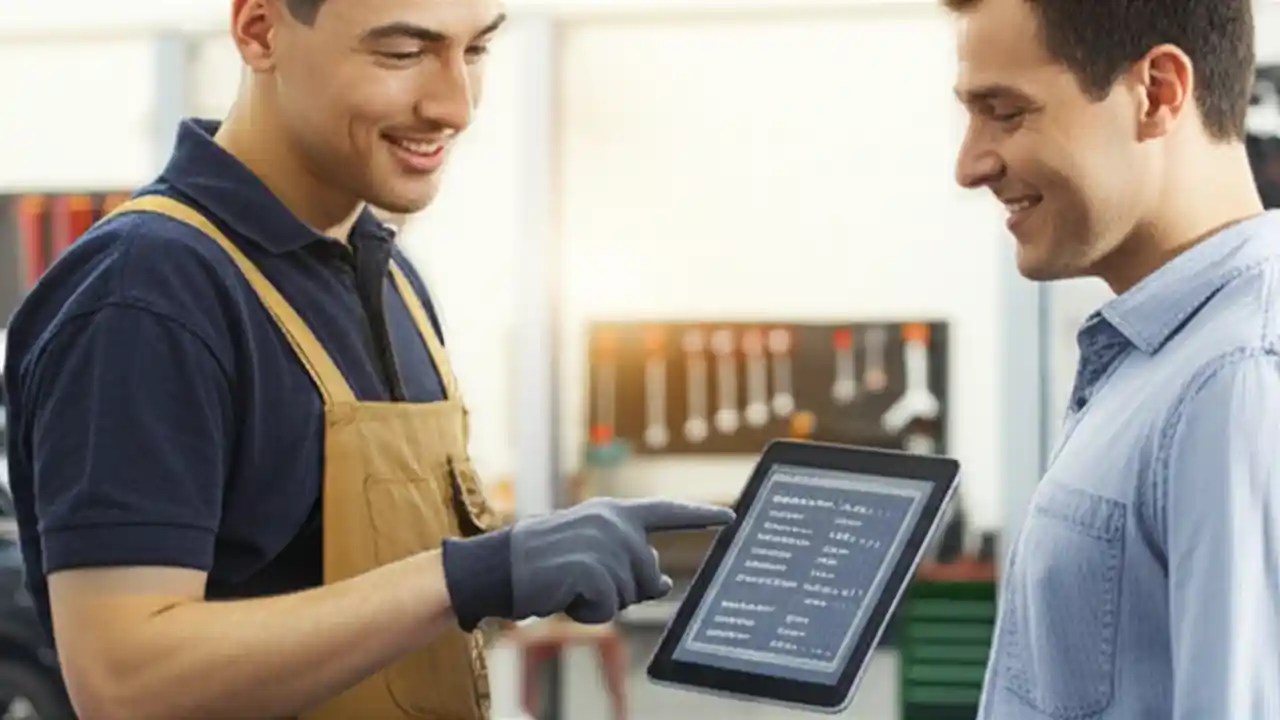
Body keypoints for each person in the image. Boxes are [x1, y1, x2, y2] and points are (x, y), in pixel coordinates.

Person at [1, 0, 734, 717]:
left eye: (474, 50)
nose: (455, 106)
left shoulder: (390, 278)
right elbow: (128, 682)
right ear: (260, 32)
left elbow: (389, 605)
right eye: (403, 52)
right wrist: (470, 575)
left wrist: (535, 568)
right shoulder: (149, 294)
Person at [942, 0, 1280, 717]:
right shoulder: (1158, 360)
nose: (969, 164)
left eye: (1006, 112)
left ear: (1157, 92)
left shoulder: (1238, 380)